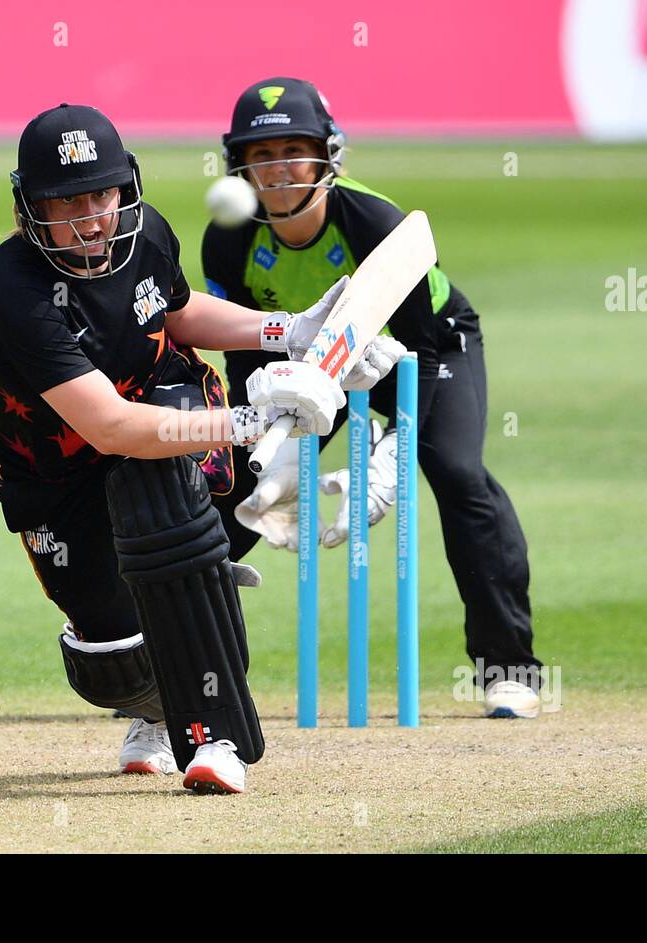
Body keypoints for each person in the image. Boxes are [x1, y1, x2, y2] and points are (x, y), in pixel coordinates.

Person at [0, 103, 402, 793]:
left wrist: (287, 330)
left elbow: (175, 310)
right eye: (68, 202)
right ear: (29, 208)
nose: (92, 219)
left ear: (126, 185)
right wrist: (252, 420)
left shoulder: (145, 234)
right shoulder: (12, 292)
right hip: (55, 471)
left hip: (165, 403)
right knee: (109, 660)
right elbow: (110, 427)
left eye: (103, 194)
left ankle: (215, 736)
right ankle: (158, 705)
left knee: (163, 505)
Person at [203, 79, 544, 718]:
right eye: (260, 155)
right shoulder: (227, 239)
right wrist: (267, 436)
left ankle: (509, 669)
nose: (277, 170)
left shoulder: (374, 224)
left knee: (455, 471)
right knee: (239, 485)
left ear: (327, 155)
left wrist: (393, 449)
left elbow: (420, 346)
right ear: (239, 165)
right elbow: (247, 354)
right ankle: (166, 668)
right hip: (314, 363)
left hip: (421, 352)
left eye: (293, 151)